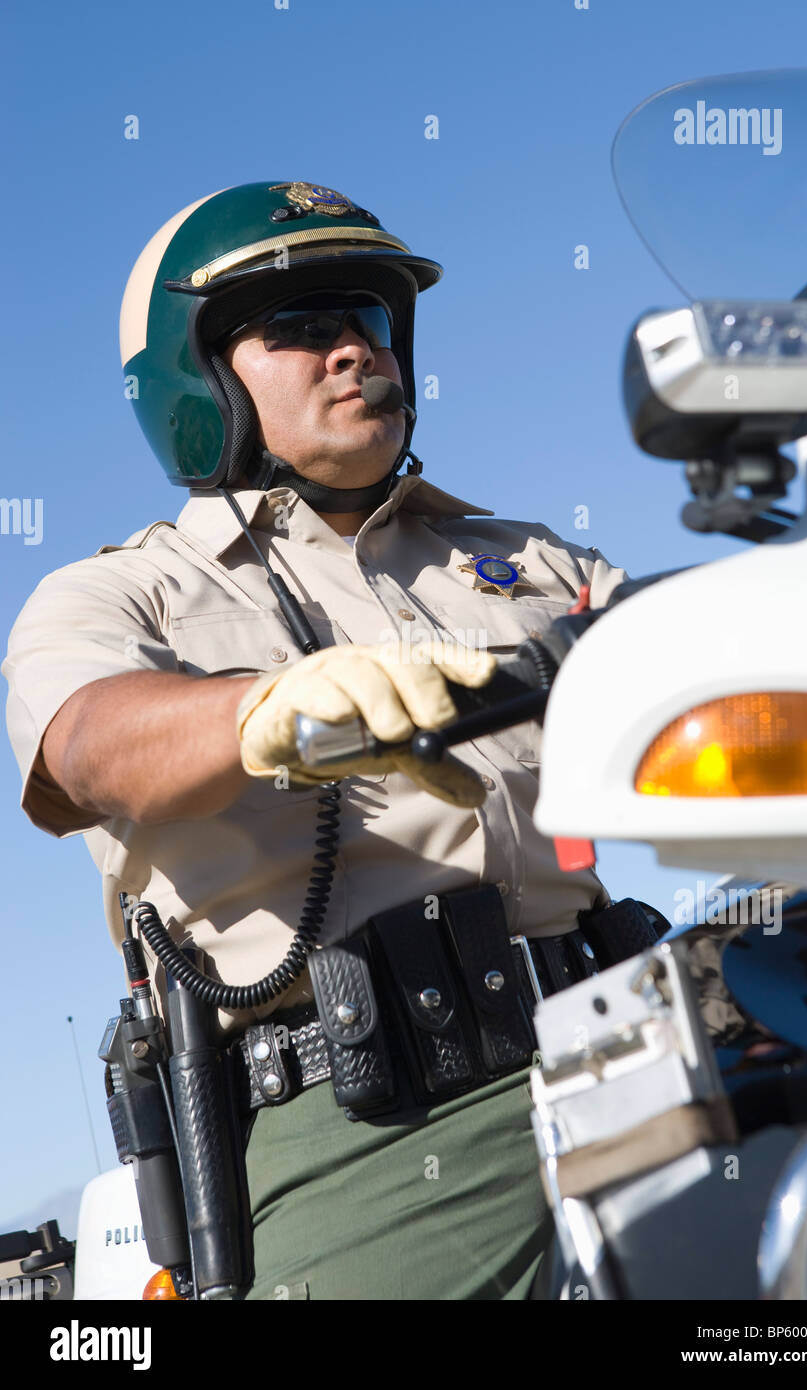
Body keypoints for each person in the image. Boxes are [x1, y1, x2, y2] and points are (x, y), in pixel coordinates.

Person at [3, 180, 650, 1300]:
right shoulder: (120, 592)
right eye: (302, 327)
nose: (355, 349)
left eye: (370, 320)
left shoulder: (536, 560)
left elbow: (707, 692)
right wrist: (268, 711)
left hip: (625, 1035)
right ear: (195, 376)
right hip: (375, 1117)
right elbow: (84, 747)